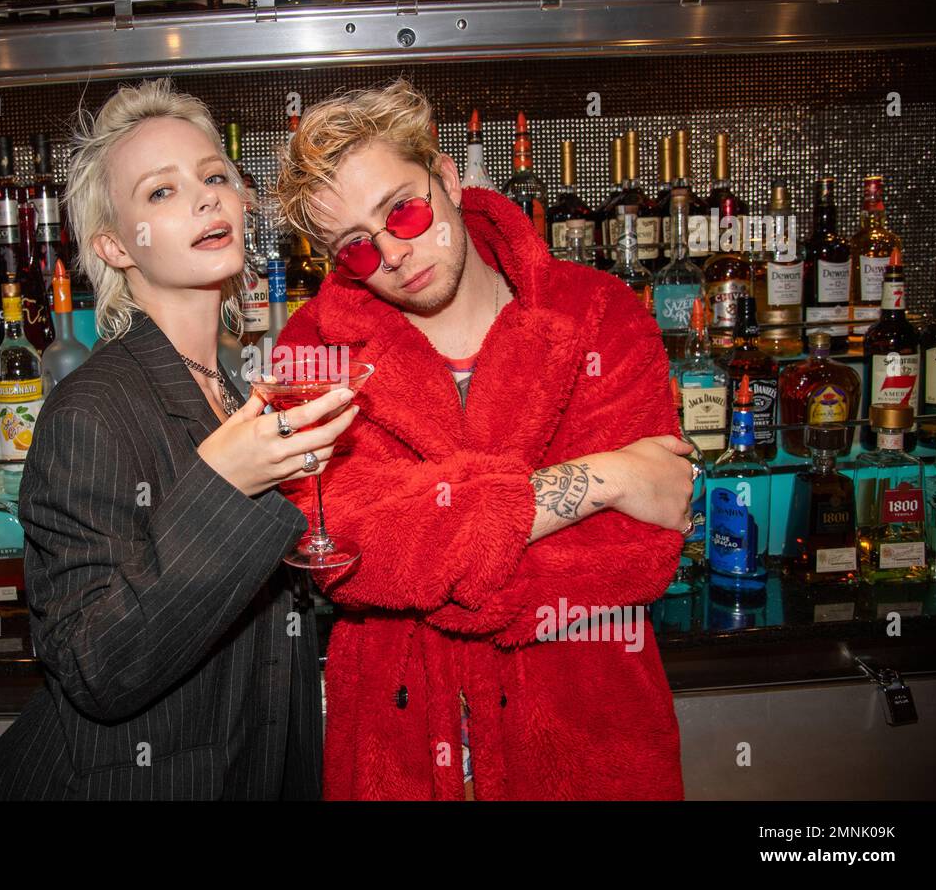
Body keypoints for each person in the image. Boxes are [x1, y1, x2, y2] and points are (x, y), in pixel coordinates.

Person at [271, 79, 695, 800]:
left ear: (446, 176)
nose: (395, 255)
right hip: (398, 743)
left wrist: (428, 557)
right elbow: (345, 550)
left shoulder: (596, 312)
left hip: (586, 729)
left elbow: (633, 557)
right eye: (357, 250)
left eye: (402, 211)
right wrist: (610, 477)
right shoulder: (313, 349)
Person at [0, 78, 356, 800]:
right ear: (115, 245)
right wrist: (223, 488)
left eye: (215, 177)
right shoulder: (92, 410)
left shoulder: (230, 390)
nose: (206, 197)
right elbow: (93, 670)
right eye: (161, 193)